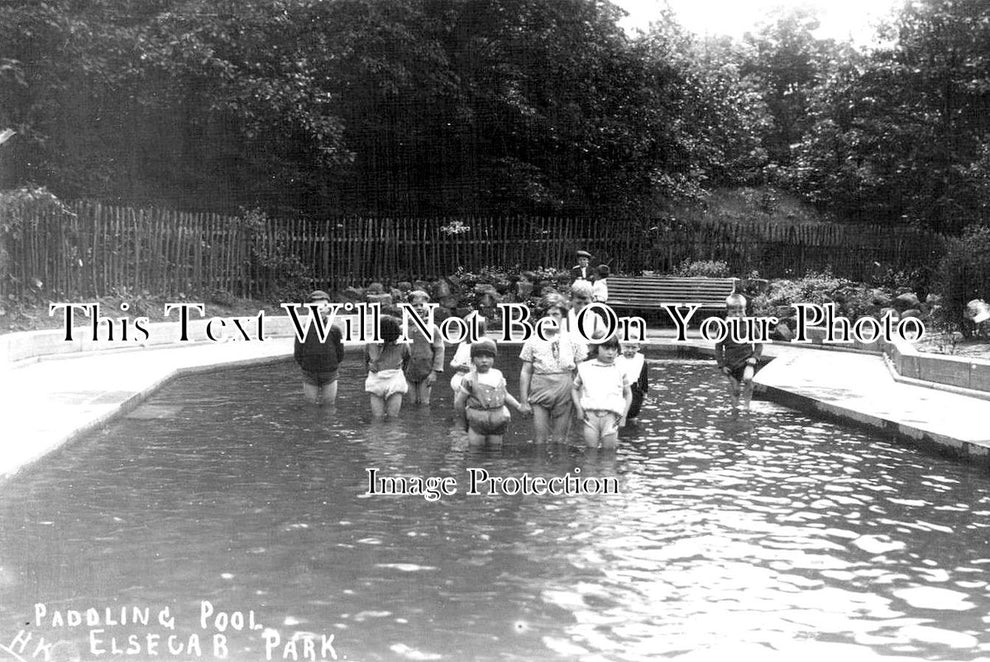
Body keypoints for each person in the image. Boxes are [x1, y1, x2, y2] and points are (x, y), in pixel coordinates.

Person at [519, 293, 587, 443]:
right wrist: (524, 401)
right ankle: (539, 465)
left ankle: (559, 466)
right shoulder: (533, 340)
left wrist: (582, 399)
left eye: (555, 314)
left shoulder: (574, 339)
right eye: (547, 314)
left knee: (560, 440)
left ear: (563, 315)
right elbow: (526, 371)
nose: (551, 318)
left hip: (565, 388)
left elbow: (581, 372)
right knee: (539, 440)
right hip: (540, 388)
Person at [454, 338, 525, 446]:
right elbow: (459, 402)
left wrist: (519, 407)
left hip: (498, 420)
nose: (484, 360)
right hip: (477, 421)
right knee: (476, 451)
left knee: (495, 450)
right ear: (472, 359)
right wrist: (464, 422)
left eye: (488, 357)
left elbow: (505, 394)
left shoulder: (498, 374)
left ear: (494, 358)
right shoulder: (469, 378)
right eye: (479, 357)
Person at [572, 335, 631, 449]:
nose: (610, 353)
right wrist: (579, 409)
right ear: (596, 348)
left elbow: (628, 393)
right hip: (590, 416)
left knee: (609, 454)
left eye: (614, 349)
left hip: (611, 417)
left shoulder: (620, 368)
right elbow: (574, 388)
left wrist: (624, 416)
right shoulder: (585, 367)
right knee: (590, 452)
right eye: (606, 348)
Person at [293, 290, 345, 406]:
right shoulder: (303, 329)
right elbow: (298, 352)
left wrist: (332, 365)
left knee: (329, 404)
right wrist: (306, 366)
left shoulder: (334, 330)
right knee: (310, 404)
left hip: (330, 373)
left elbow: (340, 353)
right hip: (309, 373)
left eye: (324, 306)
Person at [715, 293, 763, 411]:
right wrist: (721, 365)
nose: (737, 315)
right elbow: (718, 348)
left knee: (747, 379)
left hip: (747, 362)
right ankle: (735, 408)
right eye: (734, 312)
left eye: (740, 311)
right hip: (731, 364)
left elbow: (759, 344)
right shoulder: (724, 327)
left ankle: (747, 406)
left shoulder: (750, 325)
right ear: (728, 312)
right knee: (736, 389)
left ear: (745, 310)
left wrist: (755, 357)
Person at [404, 290, 445, 405]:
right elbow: (398, 350)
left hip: (426, 371)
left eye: (422, 305)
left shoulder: (433, 328)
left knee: (424, 402)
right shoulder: (403, 328)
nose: (419, 308)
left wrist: (434, 372)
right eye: (415, 305)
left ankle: (424, 421)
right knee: (411, 402)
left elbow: (439, 350)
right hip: (408, 371)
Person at [365, 315, 410, 419]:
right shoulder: (371, 343)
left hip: (395, 379)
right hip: (376, 379)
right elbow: (367, 360)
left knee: (392, 417)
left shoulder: (403, 344)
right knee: (379, 417)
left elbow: (407, 359)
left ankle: (389, 434)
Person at [567, 279, 606, 359]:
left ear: (592, 300)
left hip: (589, 360)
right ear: (571, 300)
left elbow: (604, 342)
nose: (582, 307)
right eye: (578, 303)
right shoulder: (564, 318)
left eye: (586, 303)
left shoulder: (596, 319)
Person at [449, 314, 487, 393]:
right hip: (458, 378)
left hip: (472, 382)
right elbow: (453, 362)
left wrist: (470, 368)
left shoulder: (481, 346)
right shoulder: (463, 345)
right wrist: (457, 365)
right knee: (458, 403)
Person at [617, 338, 649, 424]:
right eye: (627, 347)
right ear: (621, 346)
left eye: (633, 347)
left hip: (635, 390)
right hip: (618, 390)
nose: (630, 350)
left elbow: (644, 378)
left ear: (638, 347)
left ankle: (632, 433)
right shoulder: (616, 359)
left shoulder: (642, 361)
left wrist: (645, 393)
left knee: (632, 415)